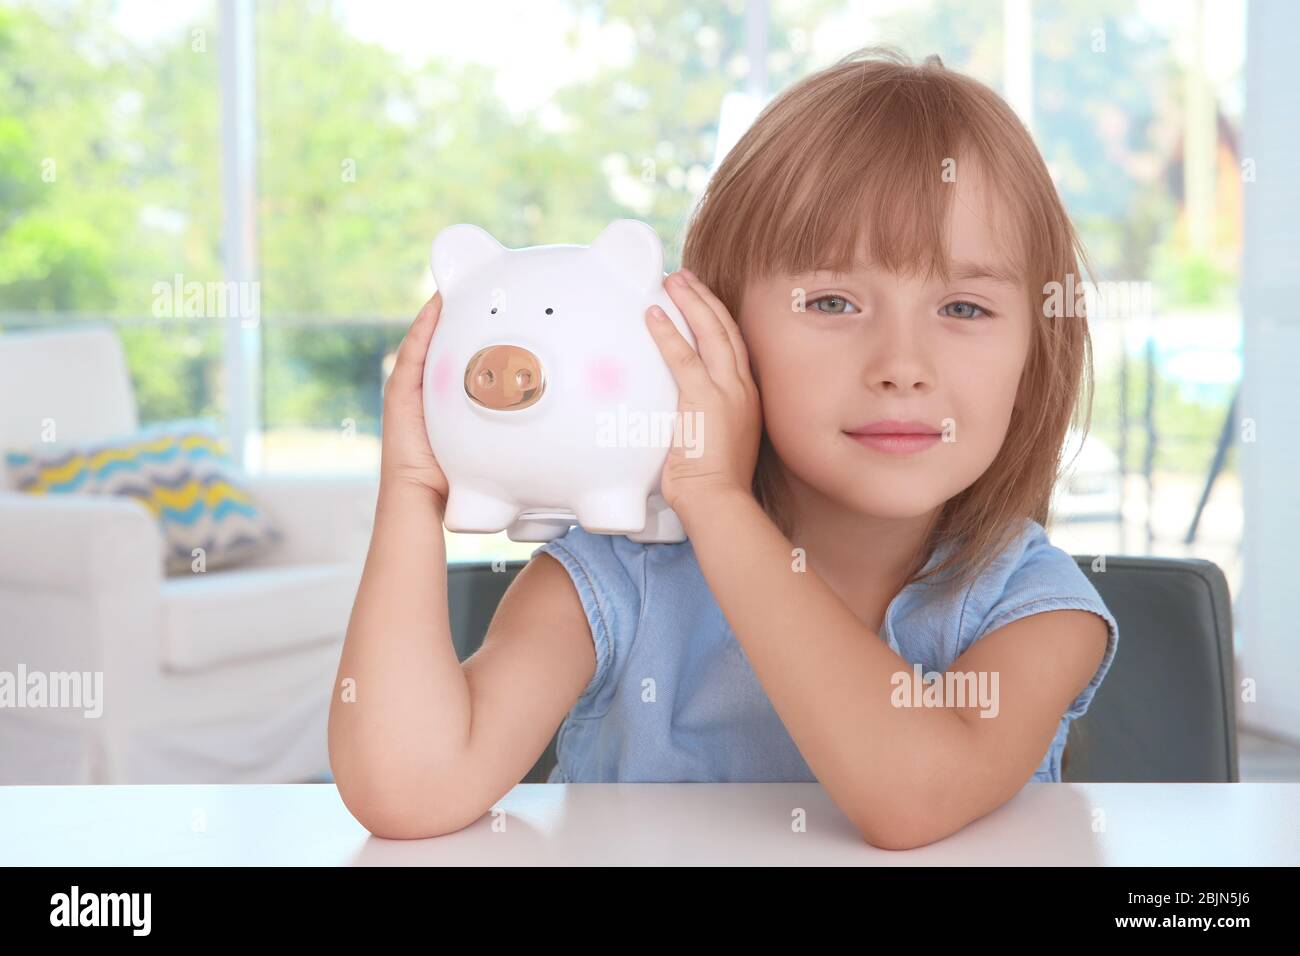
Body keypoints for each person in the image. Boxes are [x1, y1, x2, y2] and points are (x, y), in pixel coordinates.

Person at [329, 46, 1120, 850]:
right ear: (714, 331)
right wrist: (410, 489)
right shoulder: (617, 578)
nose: (903, 368)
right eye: (835, 300)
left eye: (964, 308)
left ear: (1036, 354)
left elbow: (910, 797)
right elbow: (410, 788)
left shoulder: (1037, 608)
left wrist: (718, 503)